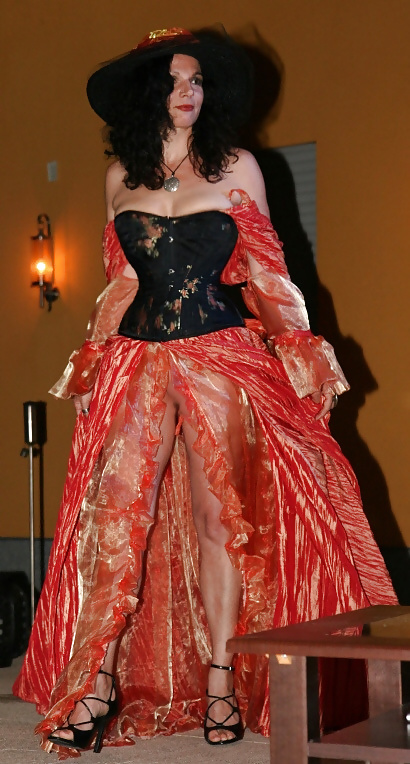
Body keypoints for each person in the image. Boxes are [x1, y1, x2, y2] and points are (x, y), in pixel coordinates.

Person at [13, 26, 397, 755]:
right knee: (117, 517)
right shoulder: (119, 178)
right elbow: (120, 283)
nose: (188, 92)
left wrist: (301, 358)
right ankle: (95, 681)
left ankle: (222, 679)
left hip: (220, 358)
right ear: (147, 93)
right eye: (174, 81)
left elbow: (270, 272)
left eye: (196, 81)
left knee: (220, 521)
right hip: (136, 359)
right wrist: (93, 360)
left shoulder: (237, 167)